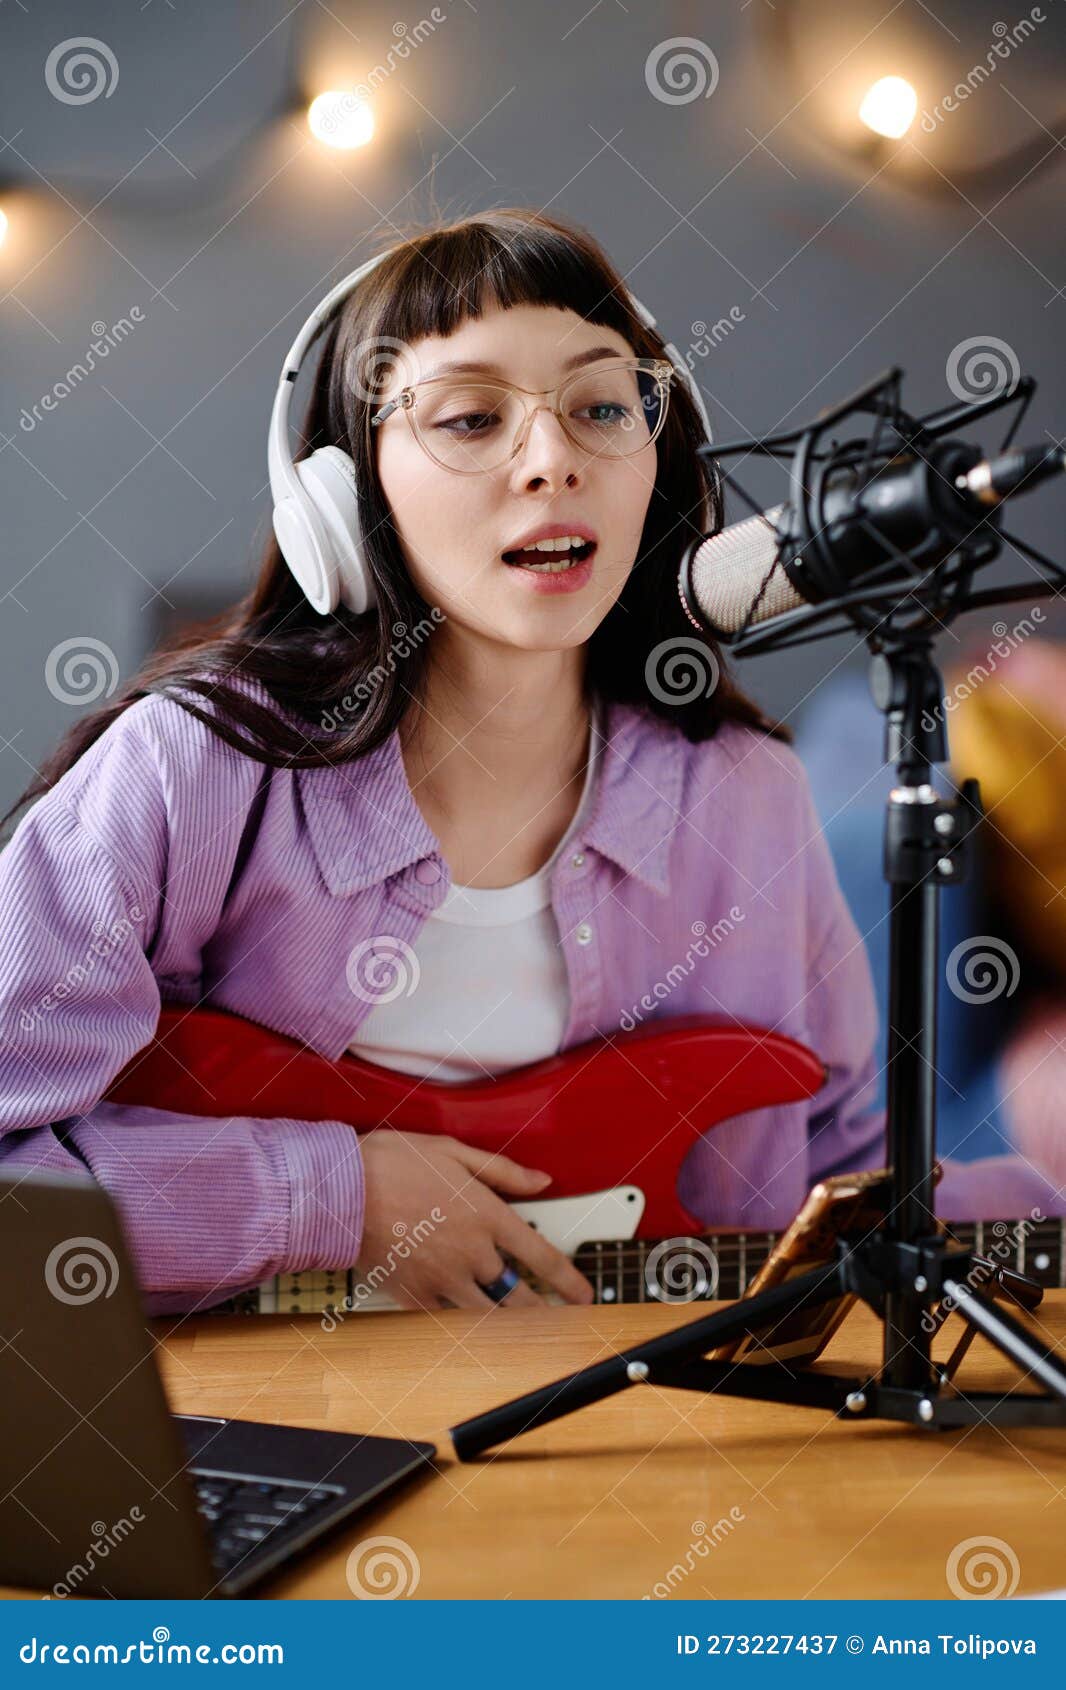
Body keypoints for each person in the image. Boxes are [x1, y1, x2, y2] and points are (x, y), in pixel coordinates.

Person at [1, 208, 1060, 1320]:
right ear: (344, 493)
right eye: (469, 417)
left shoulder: (743, 792)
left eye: (602, 407)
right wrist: (328, 1197)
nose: (552, 459)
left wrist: (1008, 1226)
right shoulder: (190, 769)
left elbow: (831, 1185)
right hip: (259, 1441)